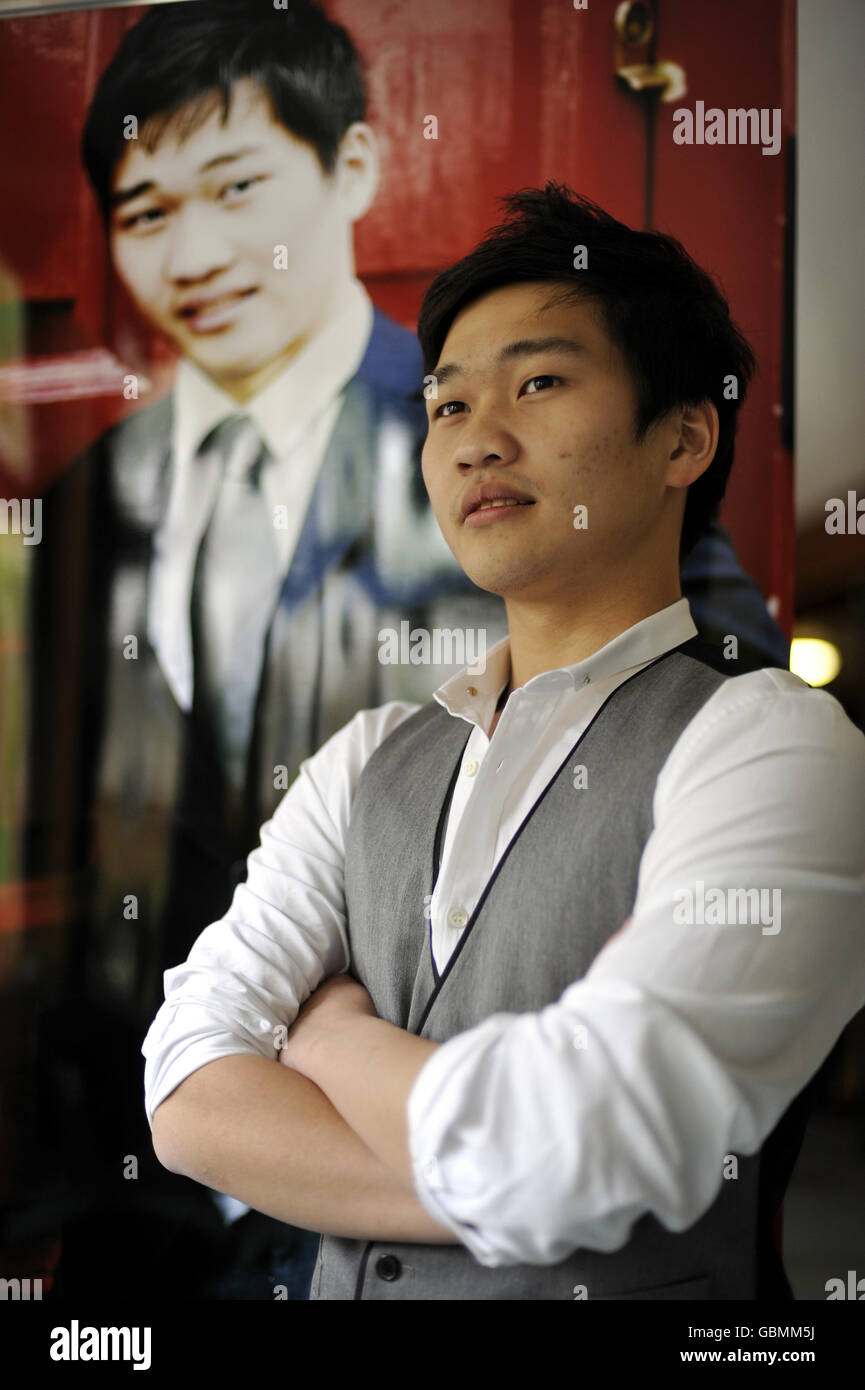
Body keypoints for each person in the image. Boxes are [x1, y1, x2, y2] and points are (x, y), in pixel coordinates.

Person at [142, 184, 865, 1300]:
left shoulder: (774, 744)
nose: (476, 439)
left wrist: (323, 1033)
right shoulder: (370, 755)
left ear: (683, 436)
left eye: (537, 382)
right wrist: (514, 1197)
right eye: (445, 407)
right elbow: (186, 1090)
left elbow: (584, 1139)